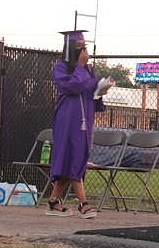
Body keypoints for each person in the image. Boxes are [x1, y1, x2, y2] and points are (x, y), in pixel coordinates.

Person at [46, 30, 111, 218]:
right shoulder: (60, 68)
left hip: (85, 118)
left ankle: (53, 201)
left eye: (85, 47)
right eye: (79, 47)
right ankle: (83, 203)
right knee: (71, 155)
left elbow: (91, 91)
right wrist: (81, 67)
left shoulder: (88, 69)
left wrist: (101, 90)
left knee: (77, 155)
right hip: (68, 119)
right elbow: (72, 87)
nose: (83, 50)